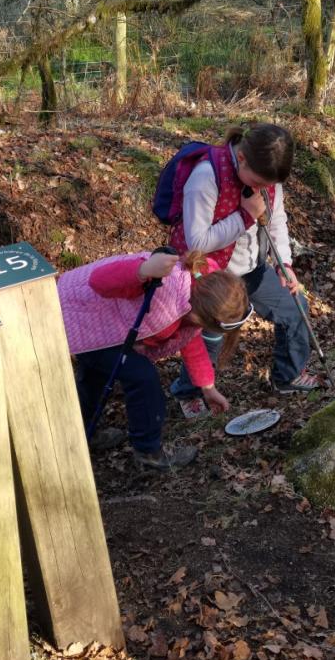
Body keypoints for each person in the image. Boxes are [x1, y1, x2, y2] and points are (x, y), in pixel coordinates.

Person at [168, 122, 319, 418]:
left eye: (269, 185)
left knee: (295, 304)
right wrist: (246, 216)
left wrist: (285, 264)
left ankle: (287, 376)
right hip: (209, 274)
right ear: (242, 158)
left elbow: (276, 222)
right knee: (209, 335)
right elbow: (197, 241)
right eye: (259, 182)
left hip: (252, 269)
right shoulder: (205, 178)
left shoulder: (269, 177)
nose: (264, 190)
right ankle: (190, 391)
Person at [59, 249, 251, 469]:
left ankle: (82, 433)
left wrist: (207, 387)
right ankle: (148, 451)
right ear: (200, 316)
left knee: (95, 380)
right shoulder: (166, 282)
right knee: (143, 377)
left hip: (109, 329)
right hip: (81, 318)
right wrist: (143, 270)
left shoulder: (198, 297)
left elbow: (188, 340)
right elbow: (99, 280)